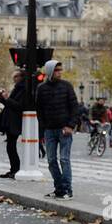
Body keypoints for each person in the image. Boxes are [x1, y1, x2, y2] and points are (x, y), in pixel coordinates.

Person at [36, 60, 80, 199]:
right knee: (51, 160)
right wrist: (42, 129)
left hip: (64, 129)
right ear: (49, 72)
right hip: (49, 129)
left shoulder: (67, 86)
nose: (60, 72)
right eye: (57, 70)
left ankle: (67, 189)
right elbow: (39, 110)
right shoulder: (41, 88)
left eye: (60, 70)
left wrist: (70, 126)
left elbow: (74, 107)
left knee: (64, 159)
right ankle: (59, 188)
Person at [0, 73, 25, 178]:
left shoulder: (23, 89)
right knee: (10, 147)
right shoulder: (17, 88)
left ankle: (15, 169)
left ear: (21, 78)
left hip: (15, 121)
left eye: (16, 77)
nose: (14, 79)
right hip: (11, 121)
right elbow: (9, 104)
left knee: (11, 147)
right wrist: (2, 98)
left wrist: (7, 98)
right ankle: (13, 169)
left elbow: (19, 106)